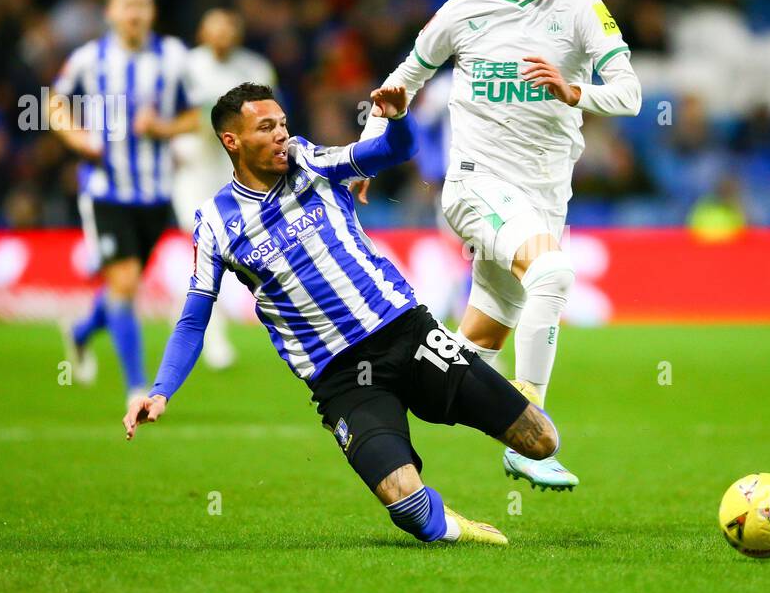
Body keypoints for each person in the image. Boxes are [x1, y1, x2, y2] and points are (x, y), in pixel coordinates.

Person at [124, 83, 562, 546]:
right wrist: (161, 391)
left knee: (541, 441)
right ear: (232, 141)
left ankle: (494, 387)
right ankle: (456, 525)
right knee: (409, 509)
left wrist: (397, 117)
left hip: (406, 335)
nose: (281, 135)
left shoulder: (310, 162)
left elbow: (396, 149)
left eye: (283, 124)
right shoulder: (215, 222)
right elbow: (195, 318)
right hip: (342, 378)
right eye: (266, 127)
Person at [358, 0, 642, 490]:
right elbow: (402, 81)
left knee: (479, 342)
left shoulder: (580, 2)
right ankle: (529, 430)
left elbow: (630, 94)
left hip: (544, 198)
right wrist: (366, 153)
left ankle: (386, 399)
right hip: (475, 185)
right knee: (552, 275)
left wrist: (574, 92)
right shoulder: (463, 13)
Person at [50, 0, 200, 404]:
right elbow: (55, 104)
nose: (134, 13)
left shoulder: (174, 56)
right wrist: (78, 139)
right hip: (104, 189)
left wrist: (163, 128)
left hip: (155, 193)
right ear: (110, 13)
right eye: (126, 5)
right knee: (125, 280)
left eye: (142, 5)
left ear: (152, 12)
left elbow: (195, 116)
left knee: (125, 285)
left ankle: (80, 331)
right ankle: (137, 387)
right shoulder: (88, 58)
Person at [174, 9, 278, 369]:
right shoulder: (184, 66)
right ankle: (213, 338)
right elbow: (165, 115)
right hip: (192, 170)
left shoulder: (256, 69)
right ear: (203, 30)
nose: (222, 33)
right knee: (206, 250)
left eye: (229, 26)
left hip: (235, 174)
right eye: (215, 25)